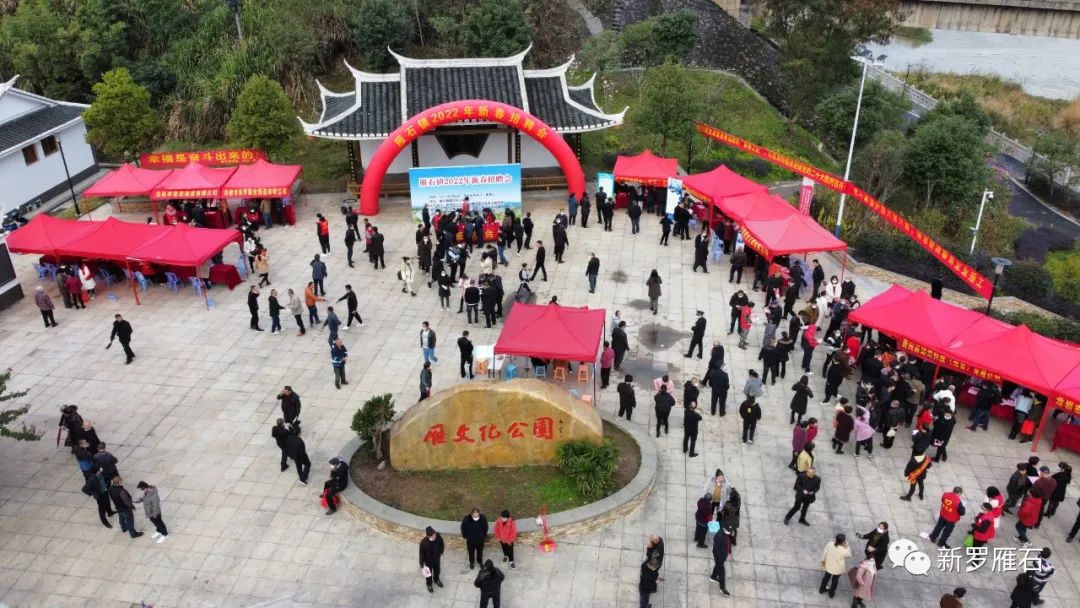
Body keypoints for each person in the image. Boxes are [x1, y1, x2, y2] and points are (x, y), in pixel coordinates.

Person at [819, 534, 851, 598]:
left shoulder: (830, 544)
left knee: (826, 577)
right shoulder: (843, 550)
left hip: (828, 565)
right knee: (835, 580)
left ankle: (822, 589)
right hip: (837, 569)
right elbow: (849, 555)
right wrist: (847, 546)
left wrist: (823, 563)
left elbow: (824, 552)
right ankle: (831, 593)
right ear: (843, 542)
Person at [419, 526, 445, 593]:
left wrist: (441, 551)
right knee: (428, 574)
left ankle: (436, 580)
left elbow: (442, 544)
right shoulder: (423, 543)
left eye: (434, 534)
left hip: (436, 558)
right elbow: (421, 554)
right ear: (428, 536)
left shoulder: (438, 537)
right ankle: (429, 584)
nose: (434, 536)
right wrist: (422, 564)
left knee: (437, 571)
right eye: (433, 535)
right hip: (428, 561)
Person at [709, 526, 732, 596]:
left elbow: (727, 544)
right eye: (729, 531)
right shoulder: (719, 537)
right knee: (722, 571)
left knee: (717, 566)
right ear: (724, 529)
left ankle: (713, 577)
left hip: (721, 556)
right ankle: (722, 588)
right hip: (719, 557)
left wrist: (728, 553)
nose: (730, 532)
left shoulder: (725, 534)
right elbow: (718, 550)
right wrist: (722, 559)